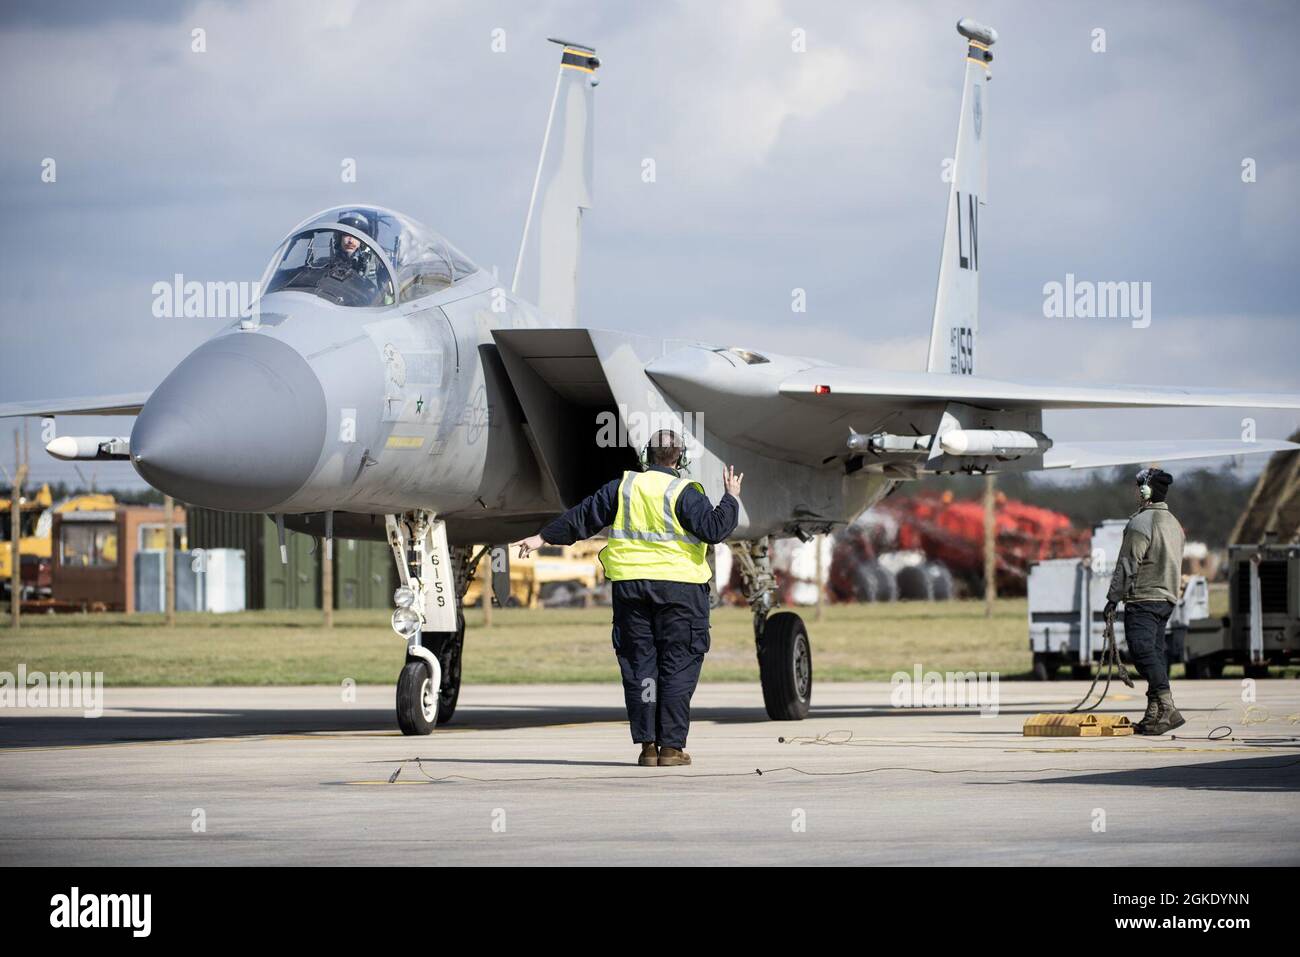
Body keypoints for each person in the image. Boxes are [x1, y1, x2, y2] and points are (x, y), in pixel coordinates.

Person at [515, 430, 742, 767]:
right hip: (679, 591)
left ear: (645, 457)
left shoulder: (622, 488)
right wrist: (730, 498)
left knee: (641, 666)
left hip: (631, 589)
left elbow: (583, 517)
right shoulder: (684, 492)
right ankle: (671, 748)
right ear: (680, 460)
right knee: (677, 666)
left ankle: (649, 746)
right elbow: (714, 530)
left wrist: (542, 537)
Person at [1104, 467, 1186, 735]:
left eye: (1139, 487)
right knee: (1155, 654)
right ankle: (1154, 717)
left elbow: (1127, 564)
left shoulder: (1140, 523)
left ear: (1145, 491)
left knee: (1141, 652)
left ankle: (1167, 705)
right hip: (1166, 600)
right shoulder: (1174, 523)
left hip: (1143, 599)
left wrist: (1112, 598)